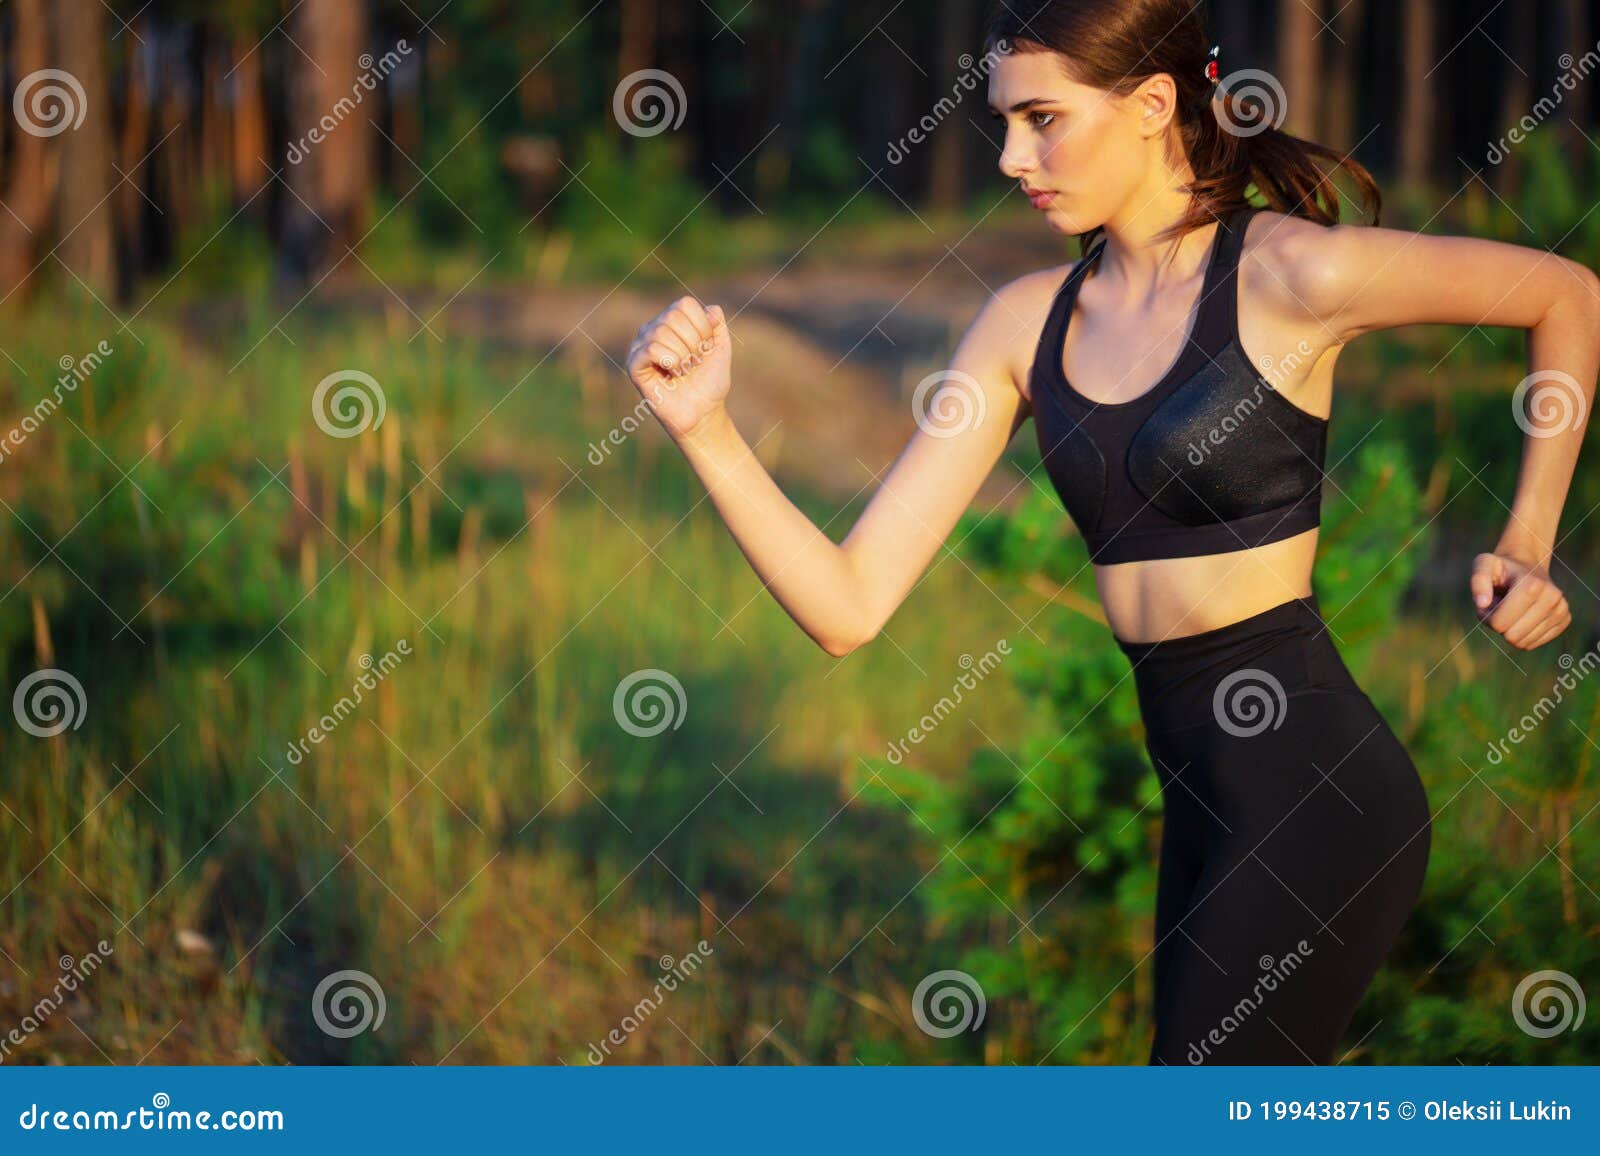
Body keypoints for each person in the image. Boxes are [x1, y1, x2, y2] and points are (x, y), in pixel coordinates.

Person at [623, 0, 1595, 1063]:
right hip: (1200, 806)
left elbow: (1565, 295)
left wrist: (1528, 538)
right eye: (1000, 122)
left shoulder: (1287, 273)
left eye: (1041, 118)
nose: (1009, 156)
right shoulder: (1022, 324)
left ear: (1150, 106)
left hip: (1314, 794)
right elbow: (849, 607)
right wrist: (707, 429)